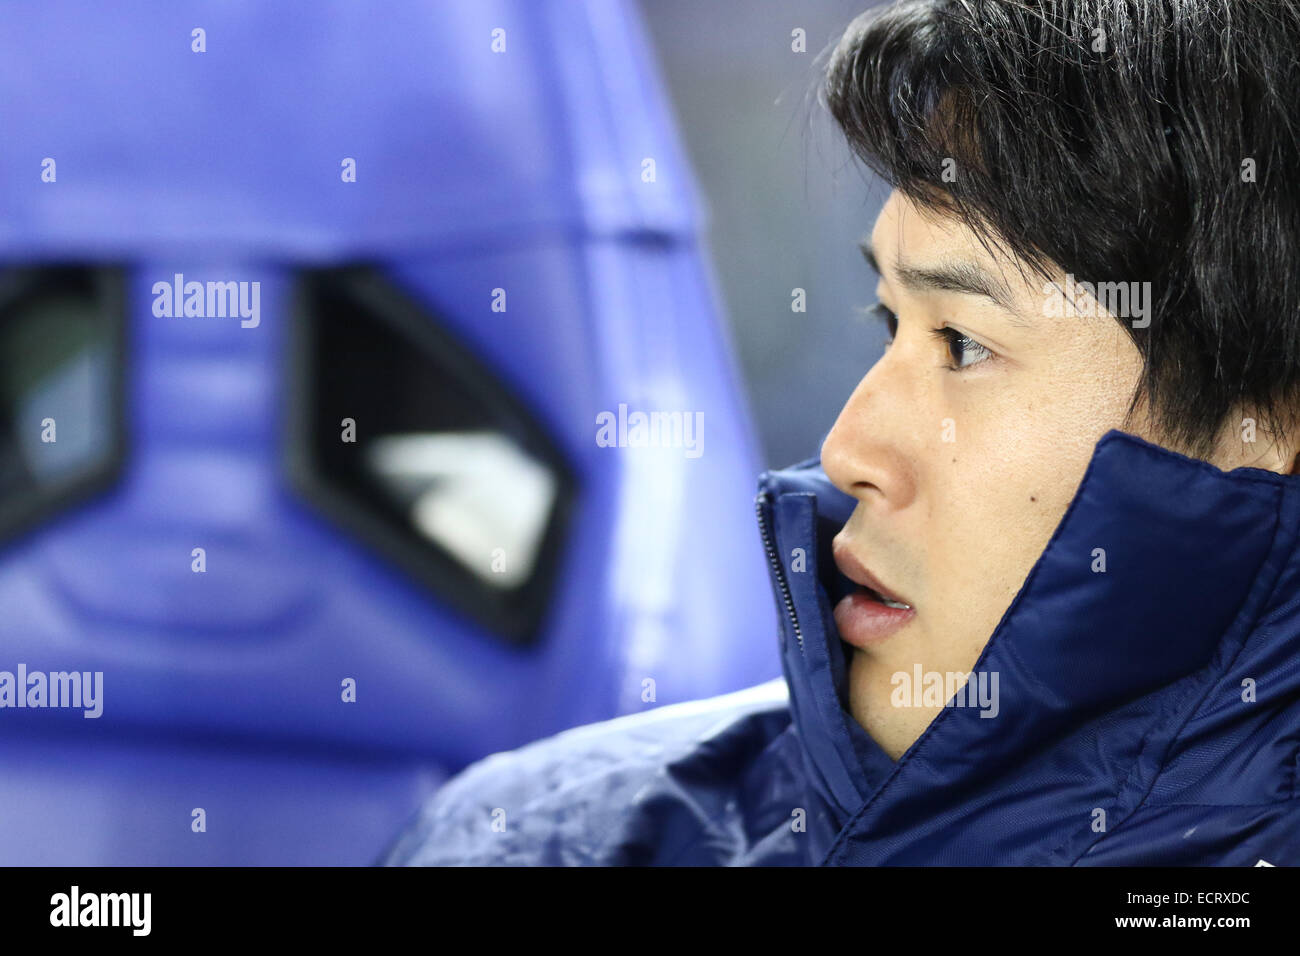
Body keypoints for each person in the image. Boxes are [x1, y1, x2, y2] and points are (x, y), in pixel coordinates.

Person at [383, 0, 1300, 866]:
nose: (845, 451)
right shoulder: (542, 841)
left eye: (964, 343)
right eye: (887, 322)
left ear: (1269, 421)